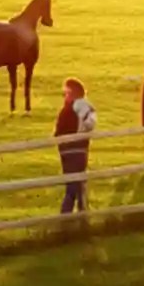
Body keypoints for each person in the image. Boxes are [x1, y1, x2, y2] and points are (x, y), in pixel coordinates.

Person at [54, 77, 97, 213]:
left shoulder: (75, 108)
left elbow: (61, 131)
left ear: (72, 94)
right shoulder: (82, 107)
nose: (64, 97)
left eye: (66, 93)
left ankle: (65, 218)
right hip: (78, 151)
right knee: (78, 186)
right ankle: (81, 216)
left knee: (72, 187)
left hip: (72, 151)